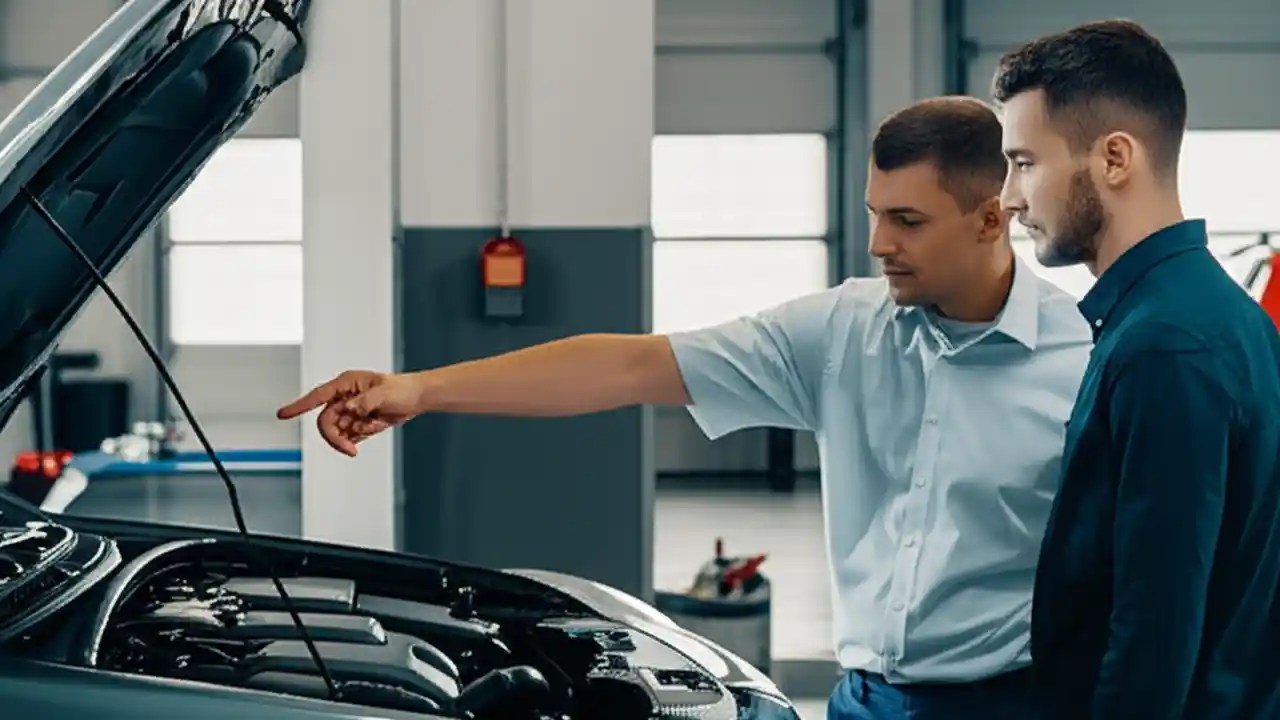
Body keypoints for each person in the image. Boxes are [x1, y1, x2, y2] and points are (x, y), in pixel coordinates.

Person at [277, 97, 1093, 720]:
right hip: (862, 701)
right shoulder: (844, 331)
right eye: (875, 214)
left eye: (908, 222)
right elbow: (631, 365)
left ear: (994, 218)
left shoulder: (1086, 360)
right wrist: (420, 390)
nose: (879, 243)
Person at [992, 19, 1280, 719]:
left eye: (1024, 162)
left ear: (1114, 159)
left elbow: (1155, 625)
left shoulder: (1165, 346)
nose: (1008, 198)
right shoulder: (1211, 316)